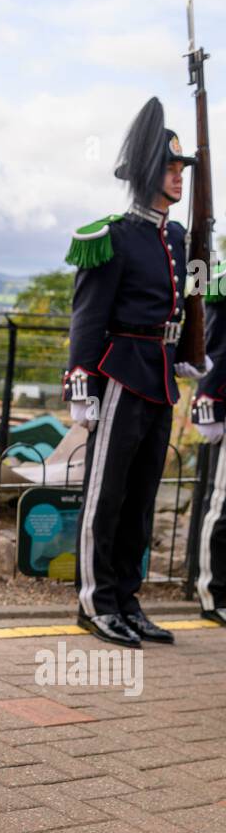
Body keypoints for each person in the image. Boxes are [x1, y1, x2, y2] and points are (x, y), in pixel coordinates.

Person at [63, 97, 202, 646]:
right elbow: (87, 316)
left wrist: (191, 350)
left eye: (183, 169)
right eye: (171, 169)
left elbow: (186, 294)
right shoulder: (112, 236)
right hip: (121, 372)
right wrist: (82, 386)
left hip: (162, 373)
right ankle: (95, 603)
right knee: (108, 493)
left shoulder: (177, 237)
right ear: (148, 173)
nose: (179, 177)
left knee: (142, 495)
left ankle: (127, 598)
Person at [192, 261, 226, 623]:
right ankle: (213, 593)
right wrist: (209, 404)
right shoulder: (222, 280)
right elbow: (214, 349)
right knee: (223, 504)